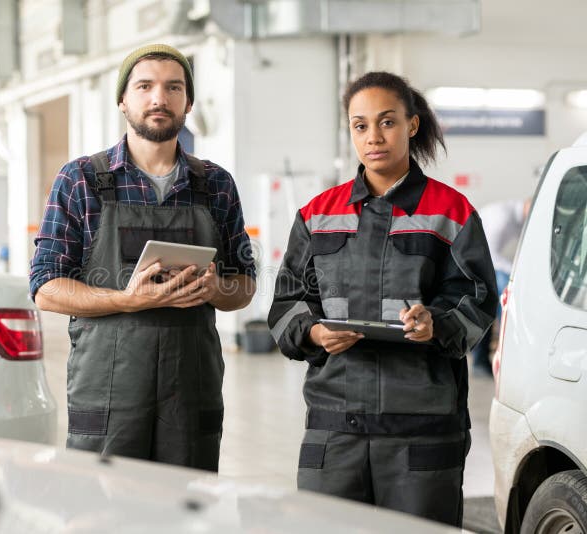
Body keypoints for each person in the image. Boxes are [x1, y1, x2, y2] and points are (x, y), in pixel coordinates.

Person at [268, 71, 498, 526]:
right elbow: (287, 303)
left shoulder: (451, 212)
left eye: (387, 122)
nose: (374, 136)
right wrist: (313, 332)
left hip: (420, 432)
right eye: (360, 125)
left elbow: (479, 298)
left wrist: (436, 322)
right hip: (335, 429)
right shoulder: (317, 215)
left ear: (412, 125)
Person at [30, 44, 256, 471]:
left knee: (186, 513)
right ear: (123, 100)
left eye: (174, 87)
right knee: (105, 512)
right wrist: (126, 301)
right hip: (108, 393)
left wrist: (217, 288)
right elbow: (45, 287)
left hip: (190, 391)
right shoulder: (81, 180)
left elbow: (244, 285)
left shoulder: (215, 185)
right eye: (145, 86)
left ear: (188, 102)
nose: (159, 98)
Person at [470, 198, 528, 376]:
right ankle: (482, 361)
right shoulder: (502, 218)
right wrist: (514, 272)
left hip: (487, 265)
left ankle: (487, 359)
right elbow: (491, 255)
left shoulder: (519, 222)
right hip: (477, 264)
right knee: (502, 301)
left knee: (499, 304)